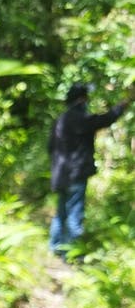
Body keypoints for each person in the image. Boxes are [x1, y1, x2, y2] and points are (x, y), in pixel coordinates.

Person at [48, 82, 129, 258]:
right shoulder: (79, 118)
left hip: (60, 175)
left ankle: (55, 247)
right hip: (75, 175)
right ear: (82, 99)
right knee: (74, 215)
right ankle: (70, 255)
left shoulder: (60, 120)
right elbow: (104, 120)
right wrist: (123, 105)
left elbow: (50, 148)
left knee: (61, 212)